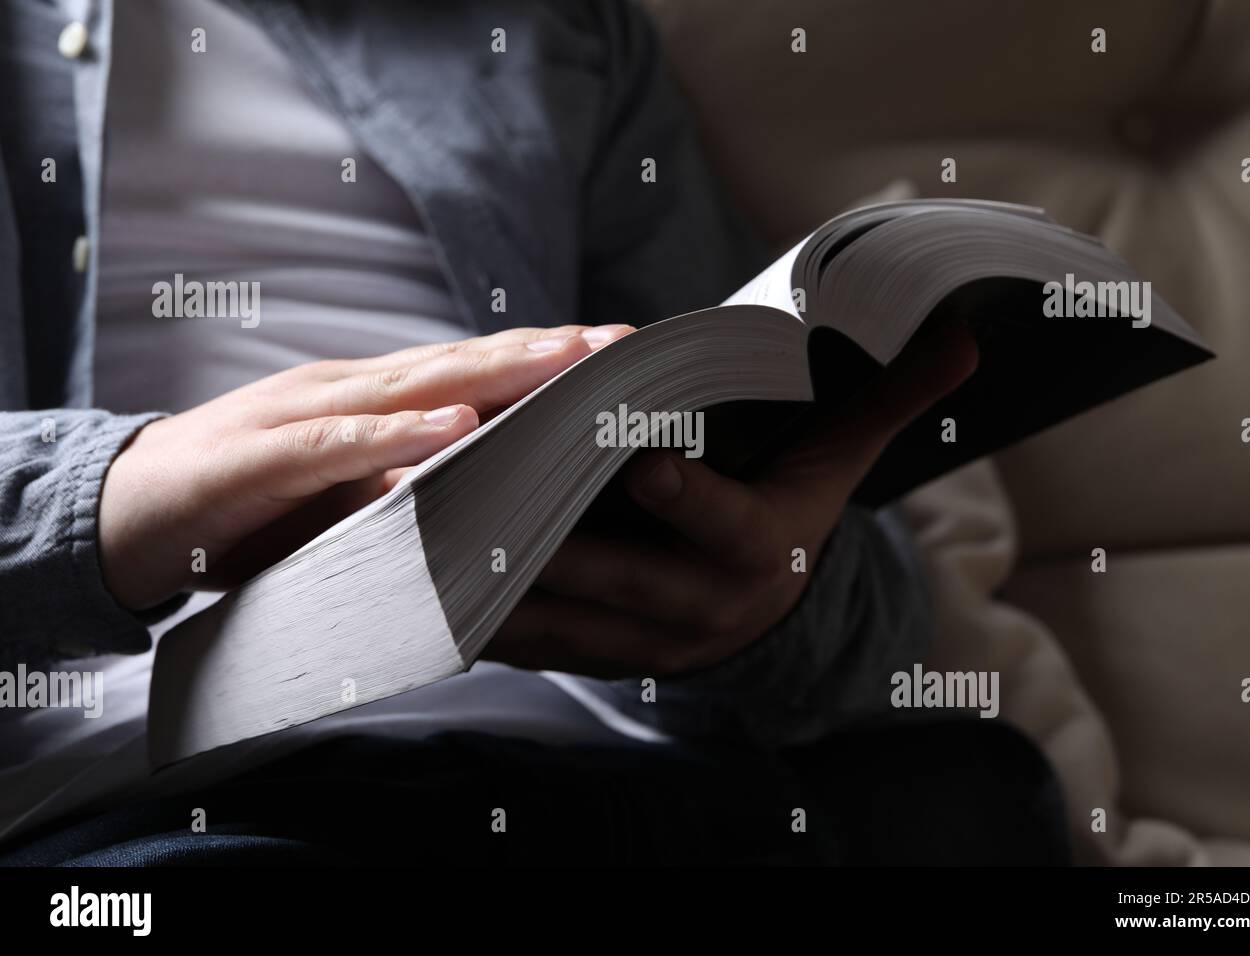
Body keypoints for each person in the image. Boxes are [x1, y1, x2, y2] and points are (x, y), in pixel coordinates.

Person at [0, 0, 1067, 864]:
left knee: (981, 795)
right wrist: (101, 501)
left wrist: (775, 598)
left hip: (628, 774)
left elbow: (829, 535)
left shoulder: (560, 29)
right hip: (162, 798)